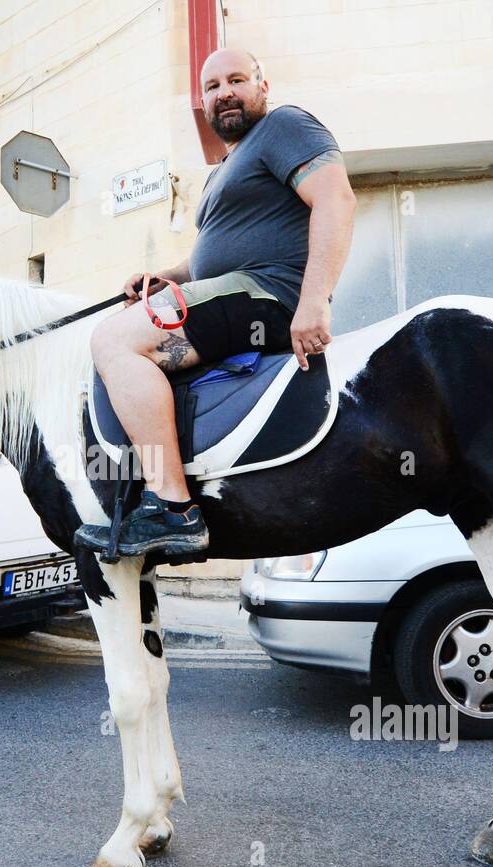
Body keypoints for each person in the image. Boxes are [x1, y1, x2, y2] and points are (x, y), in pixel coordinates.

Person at [78, 47, 356, 559]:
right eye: (211, 87)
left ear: (263, 87)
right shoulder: (224, 169)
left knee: (114, 341)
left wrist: (315, 299)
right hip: (233, 293)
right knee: (126, 326)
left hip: (265, 293)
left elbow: (335, 199)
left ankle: (172, 510)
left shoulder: (284, 126)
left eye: (236, 80)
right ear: (203, 103)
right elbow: (209, 259)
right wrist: (165, 278)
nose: (224, 92)